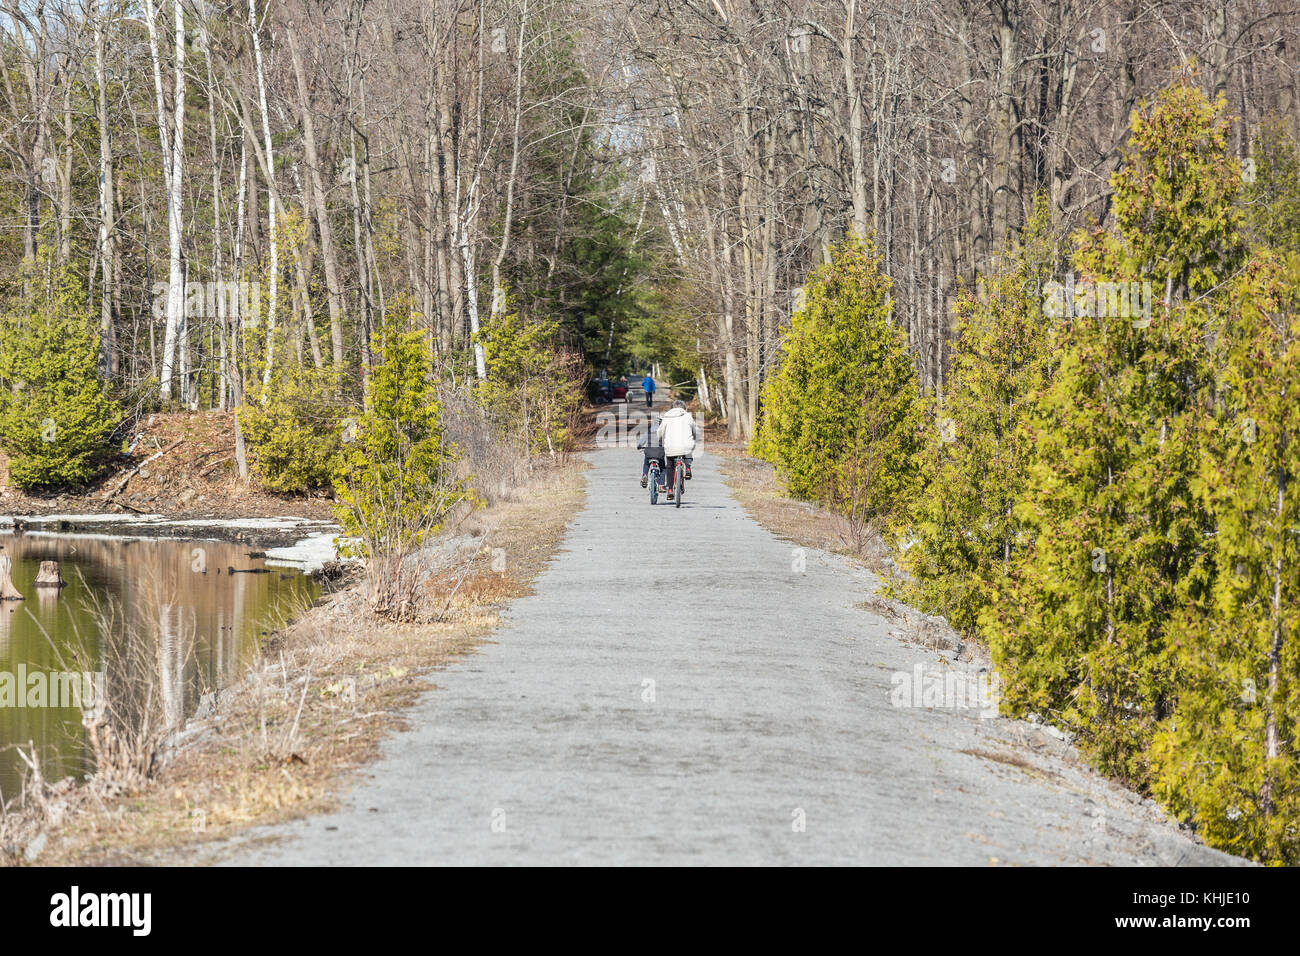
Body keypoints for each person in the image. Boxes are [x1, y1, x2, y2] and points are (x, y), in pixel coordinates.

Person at [655, 399, 699, 498]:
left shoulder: (666, 416)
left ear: (672, 408)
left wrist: (660, 438)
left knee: (670, 466)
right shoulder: (688, 416)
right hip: (686, 446)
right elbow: (696, 431)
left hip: (671, 447)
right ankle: (687, 467)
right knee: (688, 446)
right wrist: (694, 438)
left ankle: (670, 489)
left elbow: (659, 432)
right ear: (684, 408)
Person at [636, 417, 665, 489]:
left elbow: (641, 442)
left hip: (649, 453)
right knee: (663, 468)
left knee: (646, 464)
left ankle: (645, 475)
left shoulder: (649, 431)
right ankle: (661, 485)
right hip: (659, 453)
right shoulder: (664, 432)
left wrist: (639, 446)